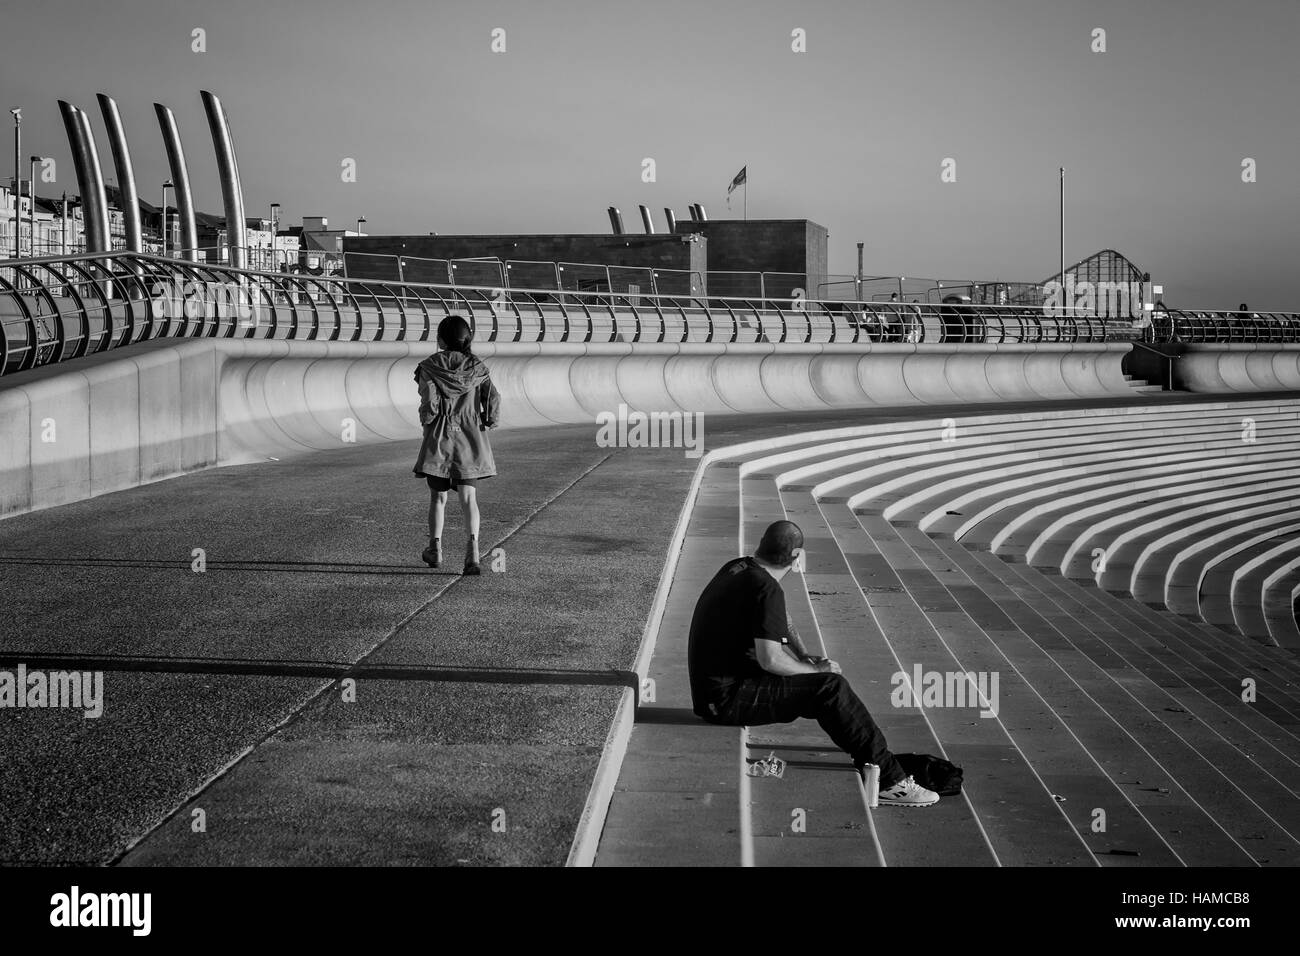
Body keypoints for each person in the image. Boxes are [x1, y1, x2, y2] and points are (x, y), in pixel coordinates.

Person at [687, 520, 939, 807]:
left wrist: (804, 655)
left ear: (761, 544)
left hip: (715, 690)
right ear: (796, 558)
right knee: (829, 688)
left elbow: (781, 618)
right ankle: (891, 781)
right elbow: (770, 659)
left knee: (823, 682)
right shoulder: (767, 589)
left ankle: (874, 758)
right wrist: (817, 670)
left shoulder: (741, 567)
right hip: (725, 700)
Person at [412, 315, 501, 574]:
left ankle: (435, 549)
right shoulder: (477, 367)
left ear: (441, 340)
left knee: (437, 497)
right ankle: (472, 552)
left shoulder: (430, 366)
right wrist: (489, 420)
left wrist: (428, 421)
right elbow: (493, 397)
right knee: (468, 497)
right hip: (470, 435)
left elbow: (429, 402)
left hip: (440, 434)